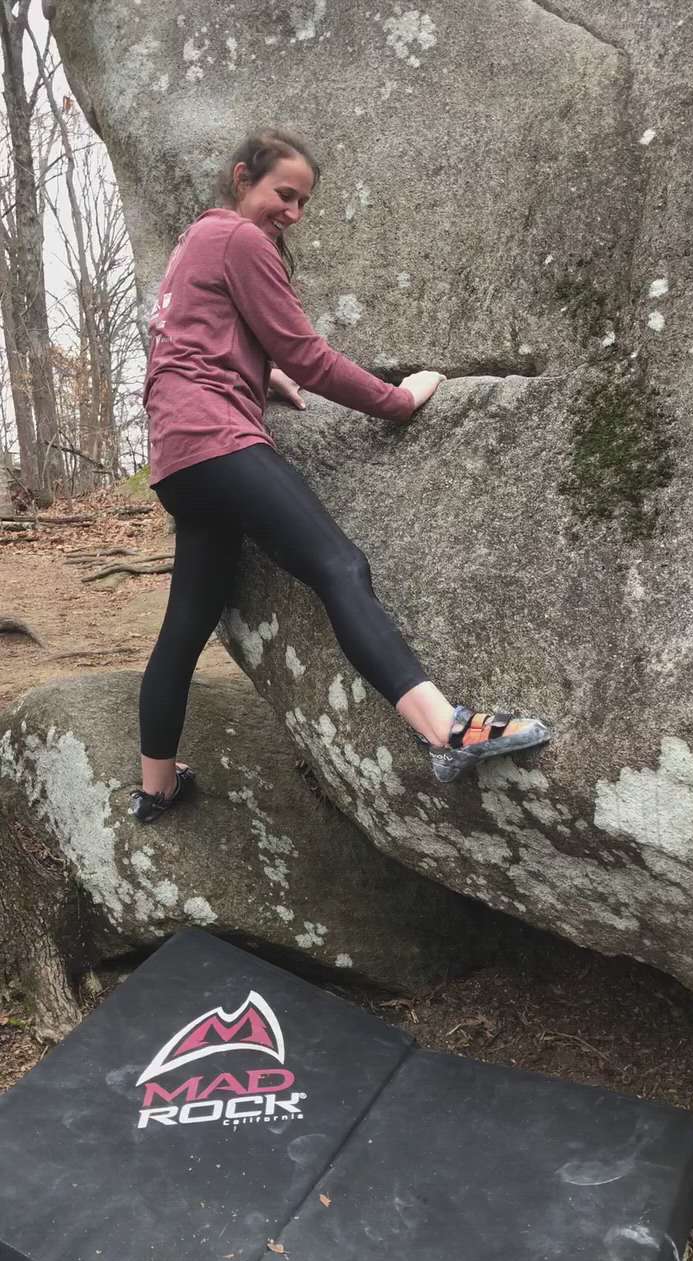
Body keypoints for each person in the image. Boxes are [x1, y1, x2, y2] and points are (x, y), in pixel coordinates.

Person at [130, 127, 550, 823]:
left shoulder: (194, 243)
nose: (291, 212)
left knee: (185, 626)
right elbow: (309, 353)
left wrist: (259, 375)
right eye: (282, 194)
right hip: (220, 442)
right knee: (339, 567)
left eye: (302, 203)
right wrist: (399, 399)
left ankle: (155, 787)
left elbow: (191, 343)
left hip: (180, 461)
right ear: (242, 178)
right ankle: (445, 728)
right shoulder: (239, 239)